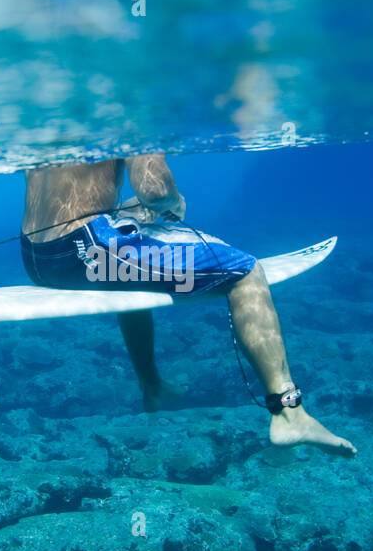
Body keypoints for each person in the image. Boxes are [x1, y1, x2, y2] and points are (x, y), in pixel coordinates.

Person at [21, 155, 356, 457]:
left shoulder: (53, 115)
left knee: (133, 274)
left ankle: (151, 383)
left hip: (38, 258)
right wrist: (174, 201)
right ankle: (289, 413)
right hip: (89, 251)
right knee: (245, 270)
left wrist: (129, 211)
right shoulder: (127, 111)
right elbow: (155, 189)